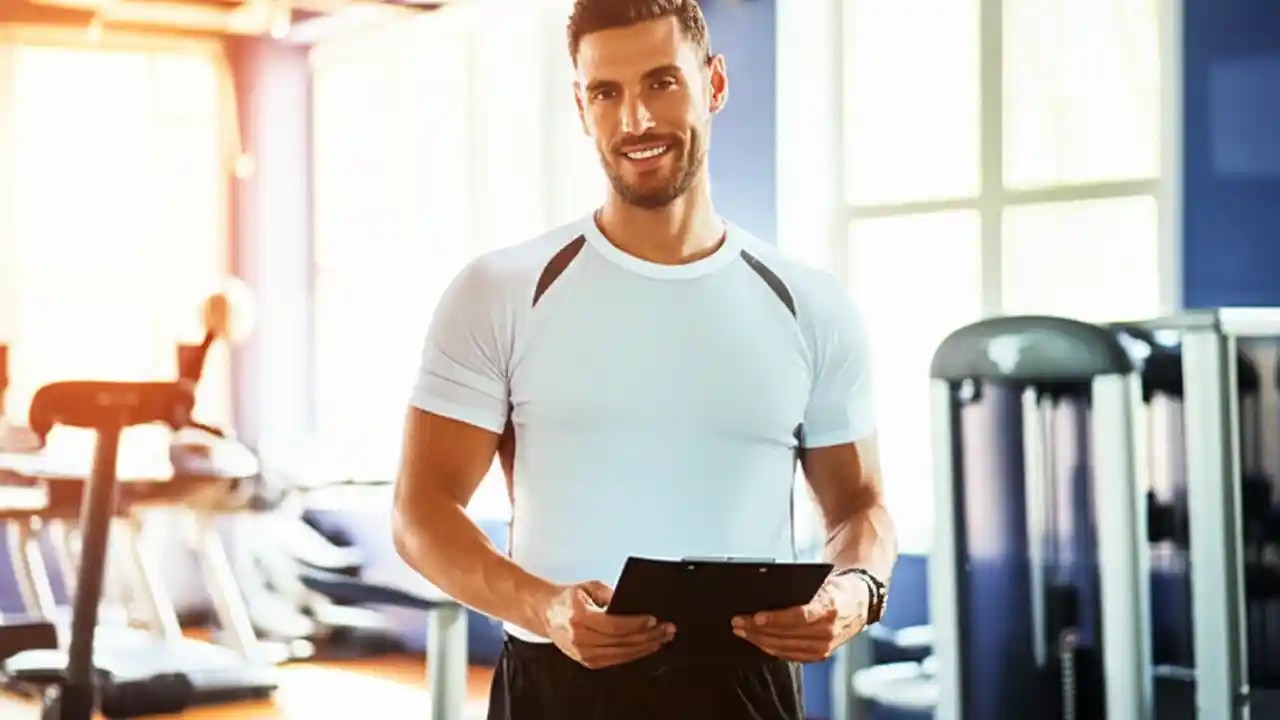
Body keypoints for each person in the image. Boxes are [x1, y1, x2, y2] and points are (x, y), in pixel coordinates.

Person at [392, 1, 898, 717]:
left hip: (744, 687)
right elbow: (420, 512)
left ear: (713, 84)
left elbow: (860, 506)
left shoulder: (809, 303)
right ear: (581, 105)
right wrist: (545, 608)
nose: (634, 120)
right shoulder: (500, 291)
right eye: (606, 92)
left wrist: (856, 590)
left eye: (662, 83)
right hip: (557, 682)